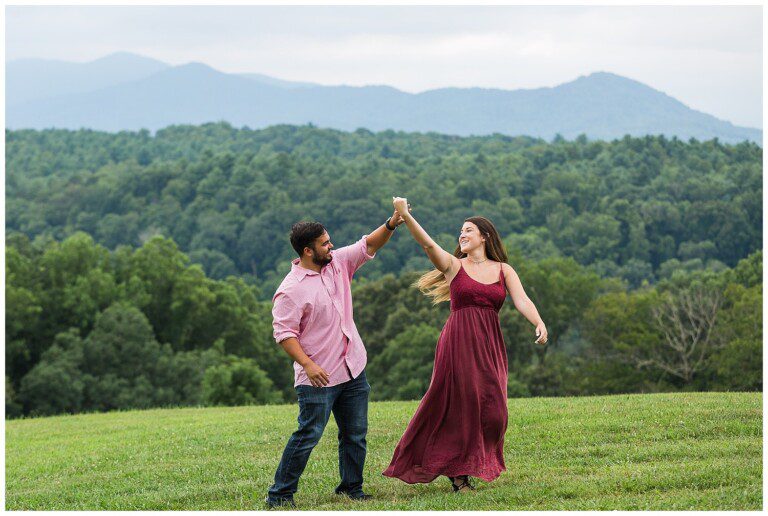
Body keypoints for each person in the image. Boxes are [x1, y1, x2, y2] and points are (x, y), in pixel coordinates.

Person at [382, 196, 548, 493]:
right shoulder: (453, 266)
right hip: (457, 341)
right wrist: (405, 215)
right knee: (463, 404)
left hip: (489, 344)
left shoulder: (503, 270)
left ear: (484, 236)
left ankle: (472, 461)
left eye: (468, 230)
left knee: (495, 409)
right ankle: (459, 475)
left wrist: (538, 321)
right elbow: (429, 246)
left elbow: (522, 299)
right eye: (461, 230)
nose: (462, 234)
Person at [265, 208, 406, 509]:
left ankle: (351, 489)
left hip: (353, 368)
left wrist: (392, 222)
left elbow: (368, 244)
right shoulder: (290, 290)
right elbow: (284, 334)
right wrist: (308, 364)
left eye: (330, 241)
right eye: (325, 243)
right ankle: (280, 495)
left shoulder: (337, 263)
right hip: (318, 377)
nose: (331, 246)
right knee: (308, 435)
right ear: (307, 250)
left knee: (355, 434)